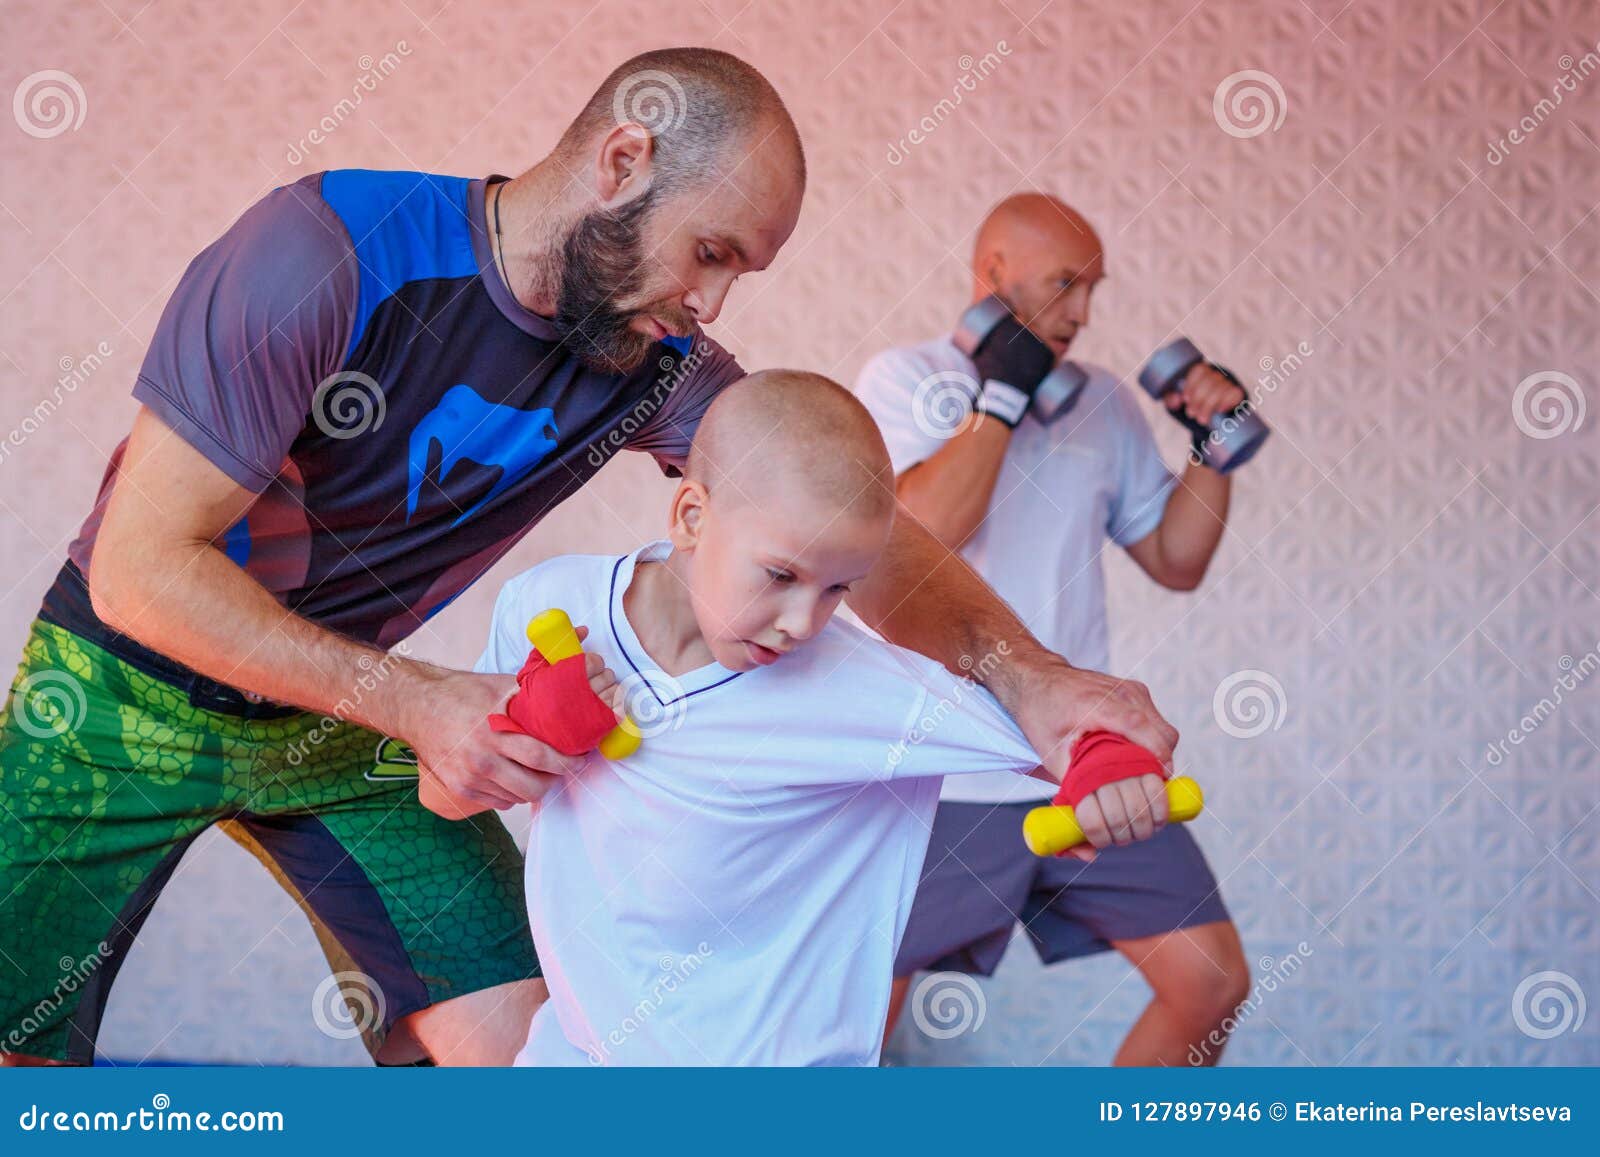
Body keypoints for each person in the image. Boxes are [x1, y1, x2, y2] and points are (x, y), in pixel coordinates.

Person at [0, 52, 1177, 1067]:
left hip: (342, 709)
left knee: (533, 1060)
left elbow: (842, 528)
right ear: (620, 161)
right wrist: (417, 702)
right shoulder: (328, 249)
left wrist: (1035, 679)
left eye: (738, 273)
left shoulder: (657, 362)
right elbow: (141, 570)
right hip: (116, 689)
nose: (711, 302)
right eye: (708, 251)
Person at [469, 370, 1170, 1066]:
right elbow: (449, 796)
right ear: (691, 516)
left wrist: (1113, 775)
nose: (803, 622)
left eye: (838, 588)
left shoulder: (860, 685)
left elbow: (1077, 742)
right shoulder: (550, 603)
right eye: (781, 576)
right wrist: (527, 723)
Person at [856, 193, 1252, 1066]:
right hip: (941, 772)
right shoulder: (904, 379)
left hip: (1081, 763)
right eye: (1065, 284)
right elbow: (920, 539)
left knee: (1211, 981)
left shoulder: (1103, 403)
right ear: (994, 273)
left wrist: (1211, 445)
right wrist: (1001, 394)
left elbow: (1176, 559)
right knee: (855, 1026)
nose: (1083, 312)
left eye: (1094, 288)